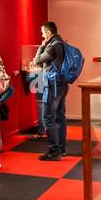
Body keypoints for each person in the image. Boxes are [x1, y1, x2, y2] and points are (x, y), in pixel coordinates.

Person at [32, 21, 67, 161]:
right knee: (60, 117)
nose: (41, 35)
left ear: (48, 33)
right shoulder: (63, 43)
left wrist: (41, 46)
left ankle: (54, 151)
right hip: (62, 84)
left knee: (47, 117)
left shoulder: (52, 46)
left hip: (53, 85)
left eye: (42, 32)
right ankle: (62, 149)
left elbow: (37, 60)